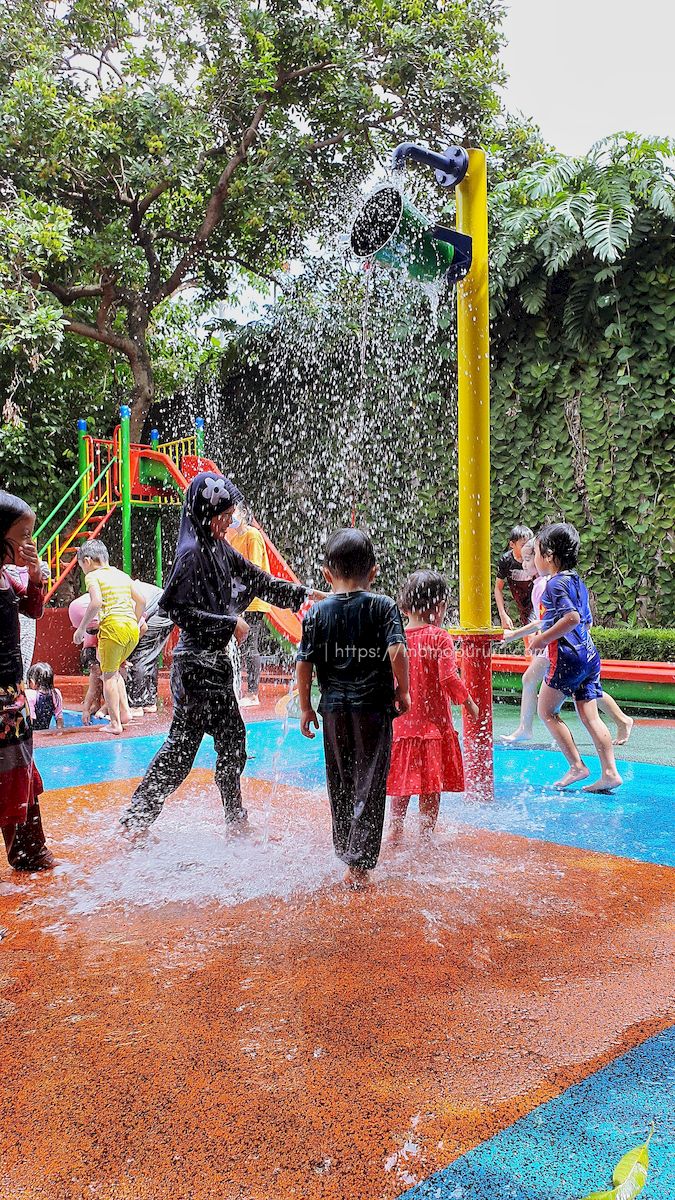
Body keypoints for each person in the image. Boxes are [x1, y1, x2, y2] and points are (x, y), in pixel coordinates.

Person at [120, 472, 324, 833]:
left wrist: (304, 595)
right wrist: (226, 624)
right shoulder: (190, 554)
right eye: (224, 514)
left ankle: (234, 816)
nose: (230, 520)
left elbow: (258, 579)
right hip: (195, 667)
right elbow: (176, 610)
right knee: (182, 752)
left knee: (233, 741)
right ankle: (138, 817)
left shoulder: (218, 546)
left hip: (215, 667)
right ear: (204, 512)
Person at [297, 528, 410, 889]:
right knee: (371, 781)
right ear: (373, 572)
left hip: (332, 711)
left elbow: (304, 664)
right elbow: (397, 652)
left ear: (327, 574)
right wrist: (403, 690)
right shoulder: (383, 606)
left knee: (341, 780)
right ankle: (358, 865)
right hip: (373, 711)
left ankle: (347, 849)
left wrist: (304, 708)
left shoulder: (316, 613)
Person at [502, 538, 633, 747]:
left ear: (546, 558)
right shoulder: (561, 581)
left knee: (540, 693)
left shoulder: (548, 585)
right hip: (570, 647)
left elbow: (550, 621)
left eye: (529, 558)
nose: (524, 564)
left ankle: (530, 730)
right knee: (584, 691)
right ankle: (619, 724)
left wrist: (532, 638)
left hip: (559, 647)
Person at [529, 522, 622, 792]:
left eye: (536, 552)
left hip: (567, 658)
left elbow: (572, 618)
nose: (535, 559)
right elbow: (585, 621)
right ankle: (609, 772)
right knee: (590, 716)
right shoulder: (577, 581)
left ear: (548, 556)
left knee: (546, 711)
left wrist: (542, 639)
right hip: (589, 655)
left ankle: (577, 766)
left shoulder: (554, 585)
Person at [387, 570, 478, 845]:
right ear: (439, 607)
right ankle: (426, 835)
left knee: (403, 781)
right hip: (432, 727)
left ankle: (395, 829)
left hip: (401, 723)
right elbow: (448, 677)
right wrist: (469, 702)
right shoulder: (439, 637)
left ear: (404, 607)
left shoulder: (395, 637)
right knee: (430, 784)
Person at [0, 490, 54, 872]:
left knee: (21, 771)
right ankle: (28, 852)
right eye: (22, 534)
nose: (28, 543)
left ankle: (30, 852)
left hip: (12, 694)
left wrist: (34, 577)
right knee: (8, 775)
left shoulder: (7, 577)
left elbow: (33, 609)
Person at [72, 541, 146, 735]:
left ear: (87, 561)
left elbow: (96, 602)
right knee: (114, 670)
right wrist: (134, 622)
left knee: (109, 676)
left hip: (112, 629)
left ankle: (115, 724)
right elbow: (142, 601)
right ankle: (125, 713)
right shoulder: (121, 575)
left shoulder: (93, 577)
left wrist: (81, 629)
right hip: (131, 630)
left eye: (81, 566)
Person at [226, 503, 272, 706]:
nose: (231, 516)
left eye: (233, 511)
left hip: (253, 600)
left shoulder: (252, 535)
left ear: (243, 514)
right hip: (239, 601)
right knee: (238, 645)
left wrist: (241, 605)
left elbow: (253, 570)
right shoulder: (234, 538)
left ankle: (253, 694)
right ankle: (237, 688)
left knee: (250, 645)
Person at [126, 580, 174, 716]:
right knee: (149, 655)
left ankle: (136, 703)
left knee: (140, 654)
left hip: (160, 610)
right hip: (164, 606)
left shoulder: (113, 602)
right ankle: (148, 701)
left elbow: (141, 627)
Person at [68, 594, 103, 724]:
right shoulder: (92, 625)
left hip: (95, 647)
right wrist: (85, 710)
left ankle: (104, 706)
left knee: (107, 679)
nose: (94, 670)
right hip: (92, 648)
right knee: (98, 681)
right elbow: (92, 689)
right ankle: (98, 704)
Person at [495, 524, 535, 630]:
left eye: (529, 545)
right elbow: (498, 588)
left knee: (532, 632)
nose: (527, 549)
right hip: (521, 603)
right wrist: (502, 614)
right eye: (523, 545)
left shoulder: (534, 558)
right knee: (528, 636)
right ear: (512, 544)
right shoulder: (506, 561)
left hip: (535, 600)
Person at [25, 662, 65, 733]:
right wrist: (60, 733)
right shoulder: (56, 694)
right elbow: (59, 718)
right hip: (45, 734)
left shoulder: (30, 694)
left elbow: (30, 720)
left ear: (32, 682)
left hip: (33, 735)